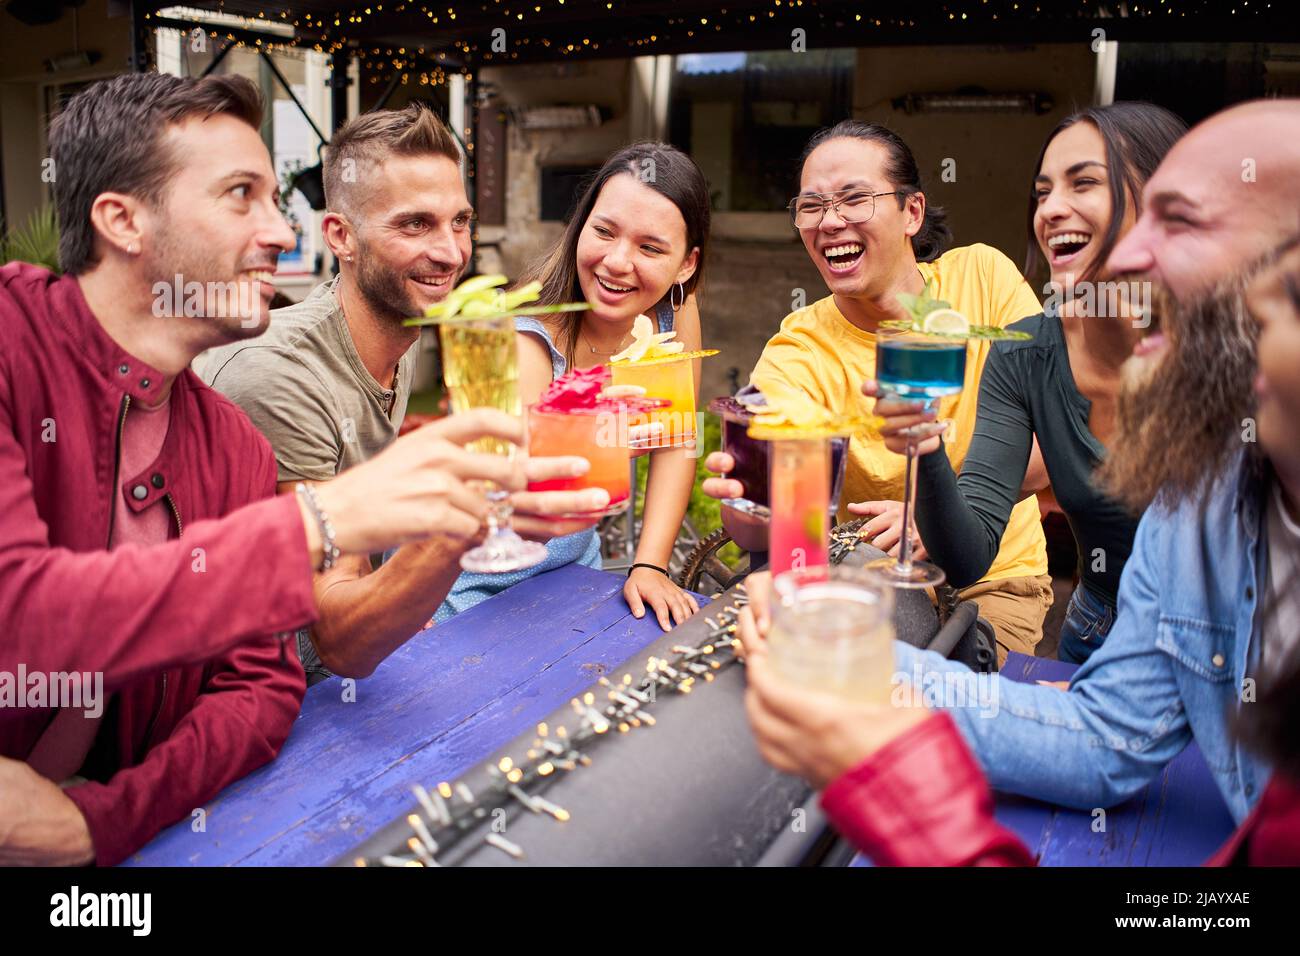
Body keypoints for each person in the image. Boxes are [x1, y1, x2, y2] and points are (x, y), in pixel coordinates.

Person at [0, 73, 535, 865]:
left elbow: (262, 685)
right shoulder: (11, 347)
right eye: (240, 196)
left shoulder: (230, 445)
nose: (283, 233)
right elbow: (21, 615)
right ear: (123, 220)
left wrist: (99, 822)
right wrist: (318, 522)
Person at [737, 99, 1300, 828]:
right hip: (1085, 622)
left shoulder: (985, 285)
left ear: (912, 212)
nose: (1127, 260)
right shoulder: (1190, 503)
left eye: (1181, 219)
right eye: (1041, 193)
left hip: (1014, 590)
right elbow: (1104, 741)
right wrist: (851, 662)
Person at [200, 105, 600, 681]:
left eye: (459, 221)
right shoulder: (278, 377)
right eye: (415, 225)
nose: (451, 253)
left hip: (368, 666)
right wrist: (467, 524)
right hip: (268, 703)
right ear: (341, 236)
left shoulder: (398, 332)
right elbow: (339, 641)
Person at [704, 120, 1051, 663]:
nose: (830, 221)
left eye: (854, 199)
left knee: (955, 708)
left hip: (995, 583)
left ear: (912, 212)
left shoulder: (984, 280)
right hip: (868, 586)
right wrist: (748, 501)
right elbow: (763, 523)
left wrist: (942, 514)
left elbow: (1053, 439)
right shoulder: (798, 349)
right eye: (811, 206)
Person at [870, 103, 1187, 663]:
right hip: (1097, 632)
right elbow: (967, 556)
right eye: (1042, 193)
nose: (1052, 210)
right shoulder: (1024, 352)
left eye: (1083, 183)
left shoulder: (1236, 342)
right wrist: (926, 446)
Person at [475, 141, 711, 632]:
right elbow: (546, 487)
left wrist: (649, 564)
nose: (617, 262)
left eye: (650, 247)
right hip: (479, 581)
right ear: (580, 228)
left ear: (686, 264)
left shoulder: (675, 309)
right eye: (604, 232)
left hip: (573, 570)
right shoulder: (527, 335)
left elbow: (678, 437)